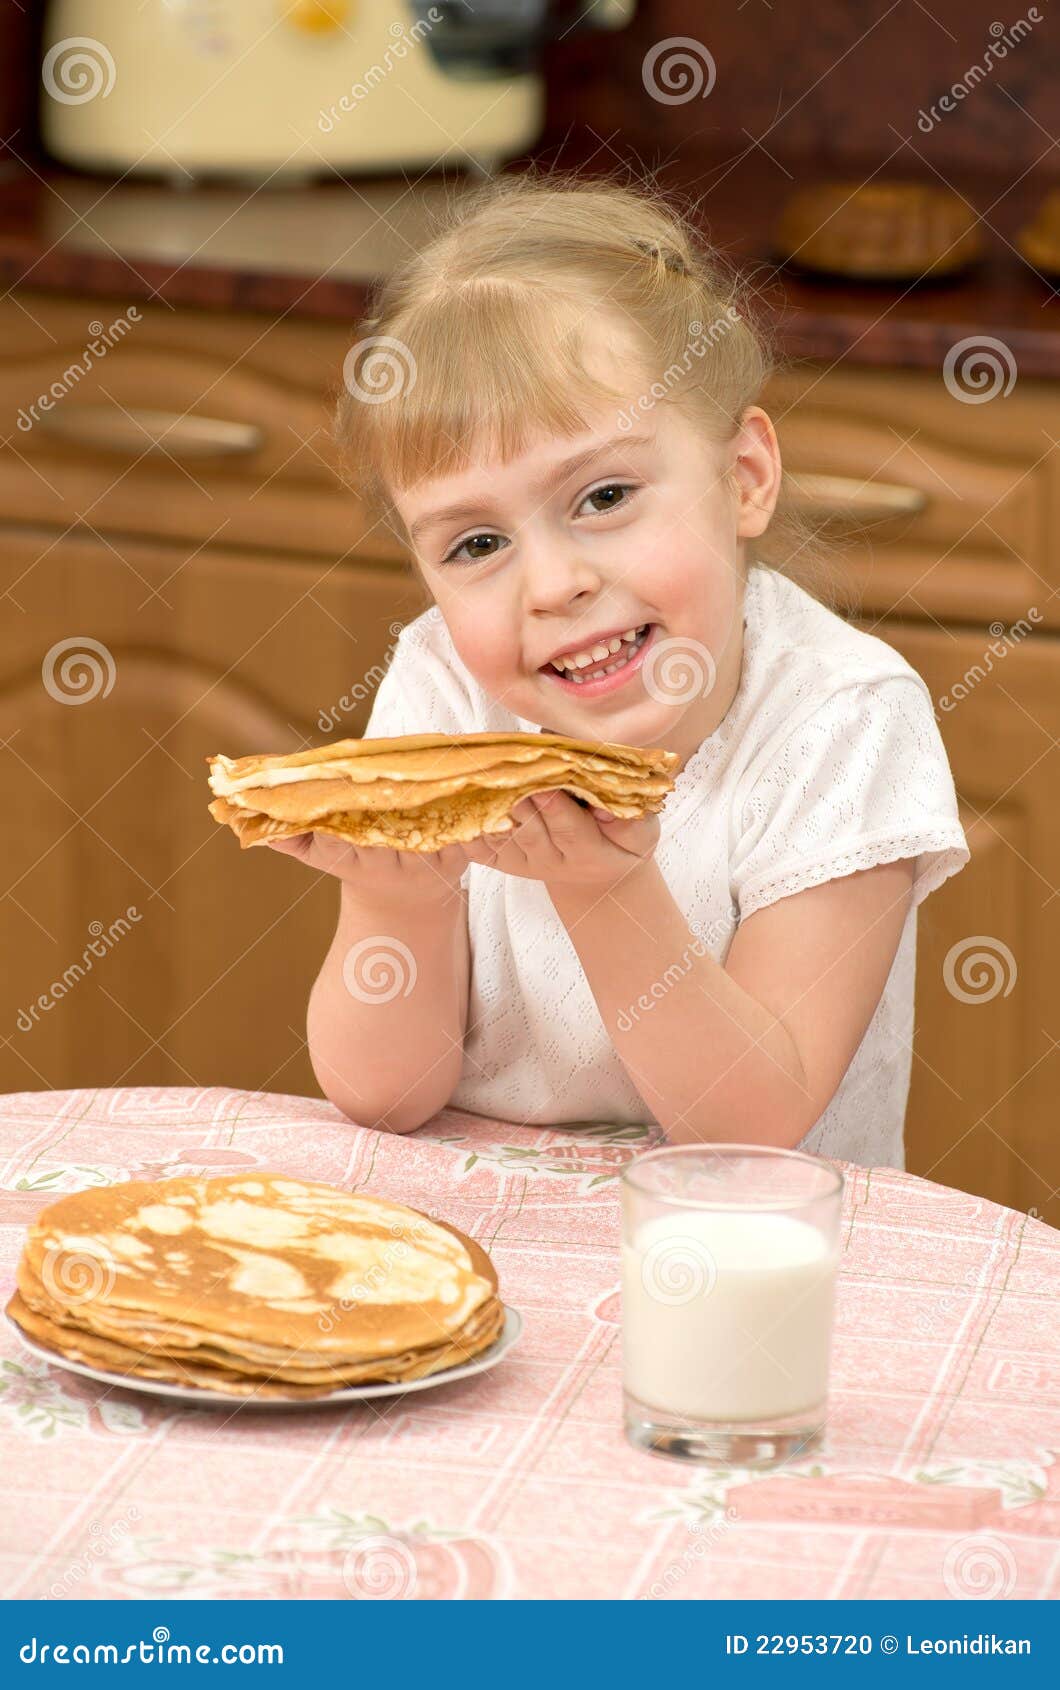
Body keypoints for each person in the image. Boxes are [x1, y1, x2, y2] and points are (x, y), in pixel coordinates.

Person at [268, 170, 969, 1168]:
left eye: (601, 495)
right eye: (474, 546)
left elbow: (750, 1124)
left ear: (743, 480)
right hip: (496, 1247)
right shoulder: (445, 694)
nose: (551, 584)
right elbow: (386, 1094)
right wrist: (398, 897)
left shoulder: (838, 720)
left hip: (767, 1269)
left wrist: (601, 891)